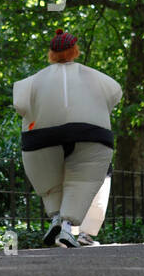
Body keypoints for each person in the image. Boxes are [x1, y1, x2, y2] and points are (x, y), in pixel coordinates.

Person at [13, 29, 122, 248]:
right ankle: (67, 226)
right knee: (83, 180)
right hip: (90, 134)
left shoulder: (30, 82)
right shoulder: (99, 78)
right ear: (75, 51)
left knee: (50, 183)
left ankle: (55, 218)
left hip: (41, 138)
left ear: (50, 54)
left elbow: (20, 105)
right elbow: (115, 94)